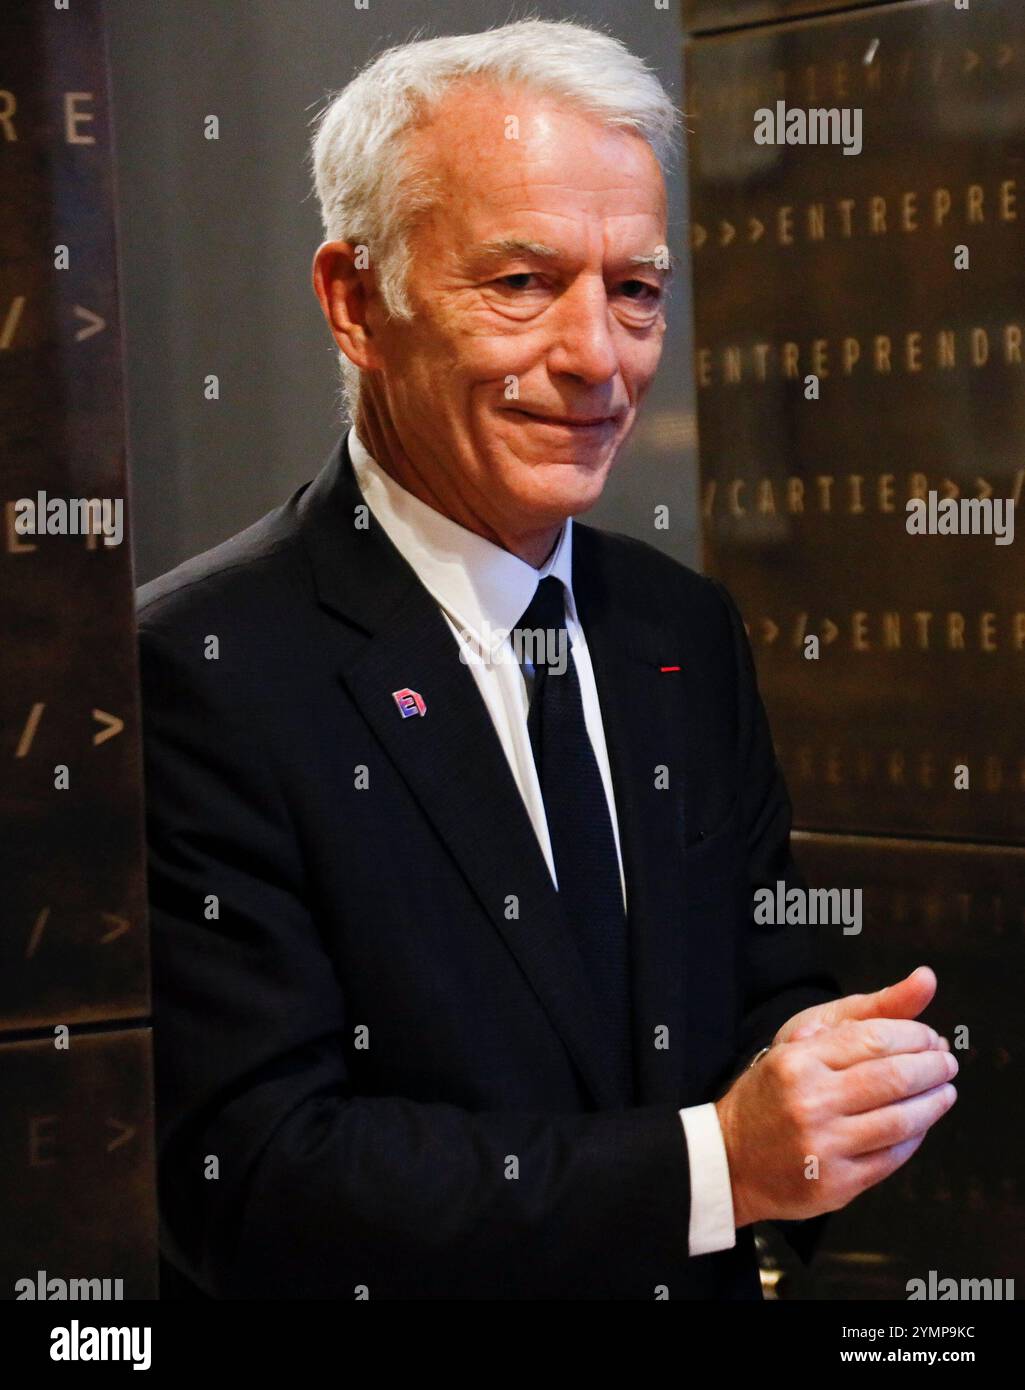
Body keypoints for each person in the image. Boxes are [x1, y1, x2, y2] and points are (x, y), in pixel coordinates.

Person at [137, 19, 957, 1300]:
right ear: (355, 302)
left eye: (632, 288)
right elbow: (251, 1175)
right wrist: (715, 1165)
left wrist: (834, 1079)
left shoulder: (679, 632)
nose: (594, 358)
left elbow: (757, 992)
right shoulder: (199, 667)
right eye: (519, 283)